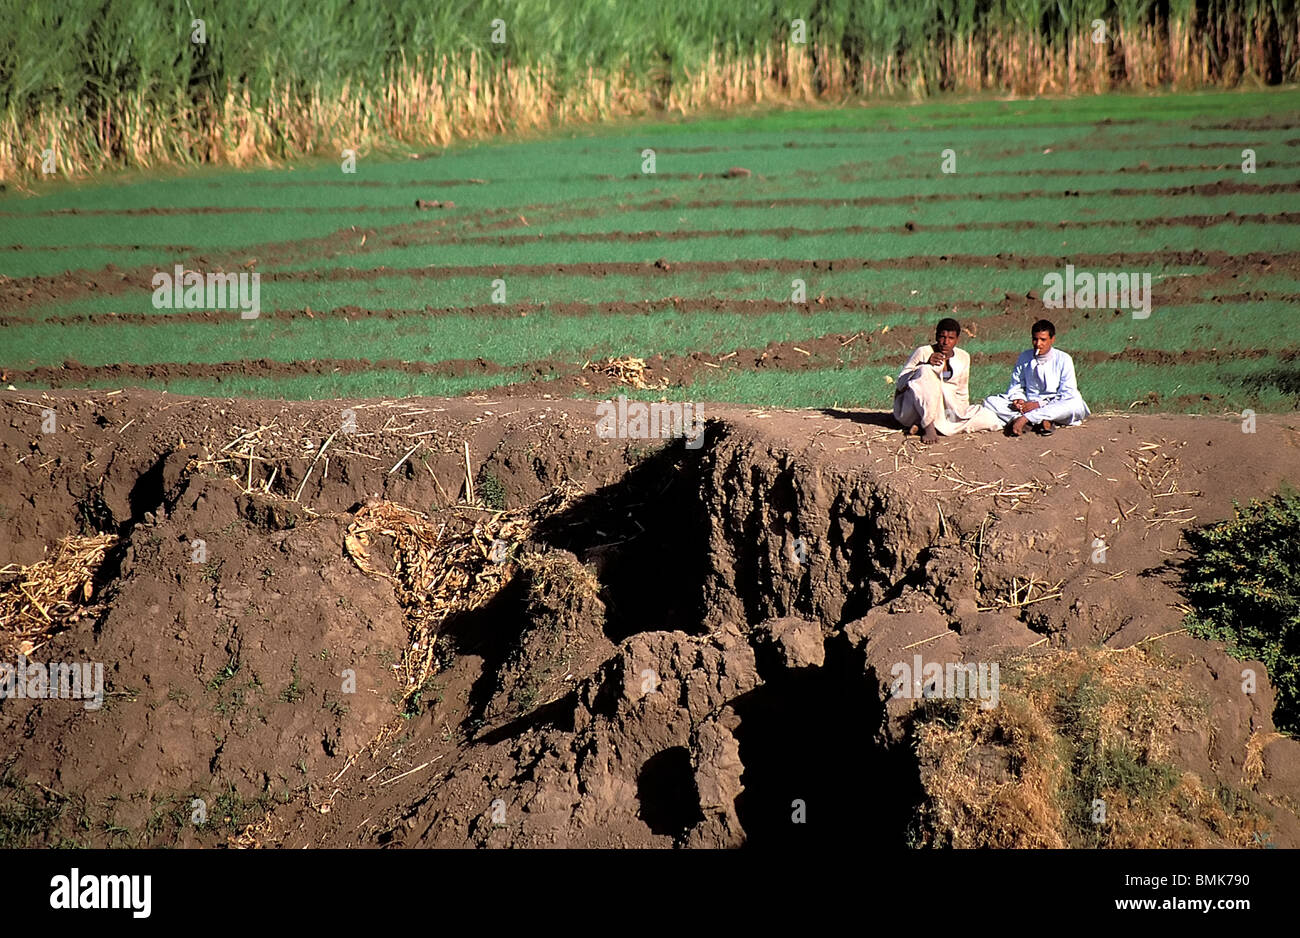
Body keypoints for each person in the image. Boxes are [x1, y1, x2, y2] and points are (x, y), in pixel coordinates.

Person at [893, 318, 1001, 444]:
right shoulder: (923, 352)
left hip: (945, 410)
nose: (945, 342)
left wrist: (962, 413)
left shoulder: (963, 357)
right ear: (936, 336)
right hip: (912, 409)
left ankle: (925, 426)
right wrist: (924, 363)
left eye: (951, 338)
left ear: (957, 340)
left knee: (988, 417)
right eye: (942, 337)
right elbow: (900, 384)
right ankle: (928, 426)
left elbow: (962, 390)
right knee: (925, 371)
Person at [981, 319, 1090, 436]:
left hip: (1052, 404)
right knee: (991, 402)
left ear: (1052, 339)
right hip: (1027, 404)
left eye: (1043, 340)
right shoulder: (1025, 357)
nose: (1038, 344)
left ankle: (1025, 420)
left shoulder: (1064, 359)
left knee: (1075, 403)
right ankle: (1040, 421)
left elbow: (1067, 392)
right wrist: (1019, 400)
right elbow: (1017, 385)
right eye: (1035, 339)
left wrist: (1039, 405)